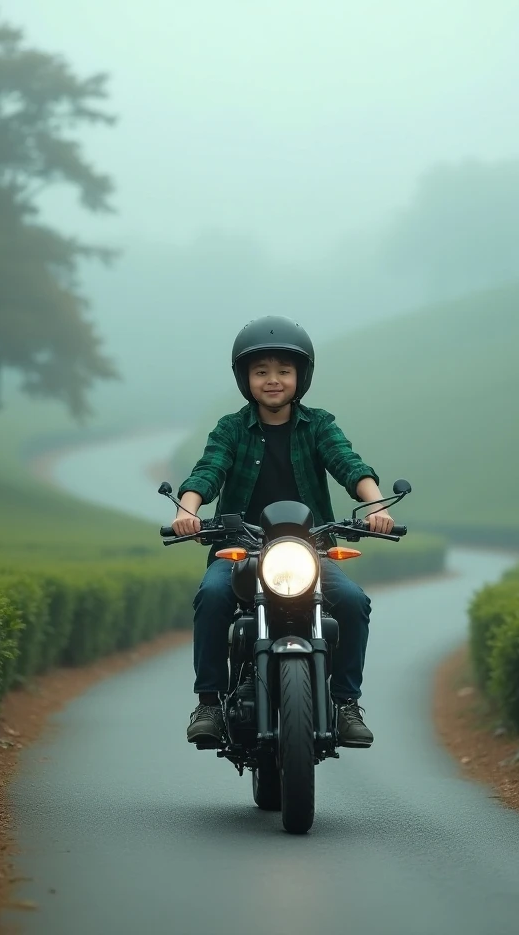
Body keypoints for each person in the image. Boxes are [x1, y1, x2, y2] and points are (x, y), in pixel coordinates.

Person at [173, 315, 395, 748]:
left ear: (301, 377)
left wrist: (376, 504)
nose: (272, 380)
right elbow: (208, 471)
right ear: (245, 379)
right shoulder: (231, 428)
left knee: (353, 601)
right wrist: (188, 508)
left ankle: (346, 703)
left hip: (309, 549)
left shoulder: (319, 425)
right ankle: (209, 703)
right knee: (212, 595)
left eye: (283, 371)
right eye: (261, 372)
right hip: (239, 549)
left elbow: (349, 464)